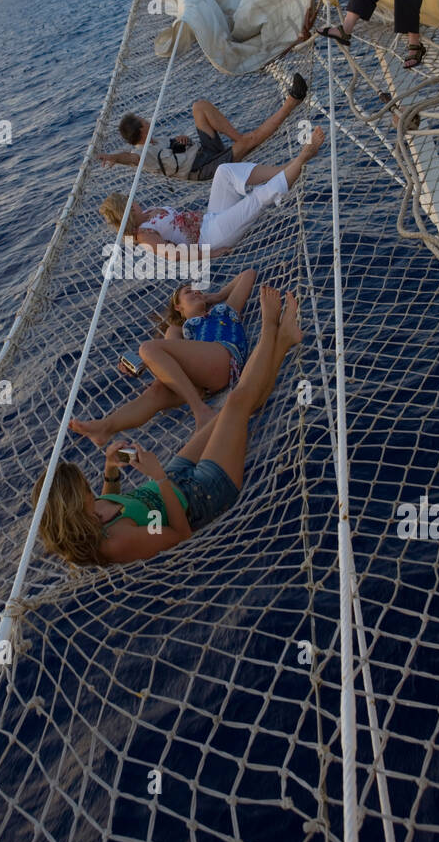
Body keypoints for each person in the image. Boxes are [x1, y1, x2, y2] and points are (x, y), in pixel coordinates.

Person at [34, 286, 302, 566]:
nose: (92, 491)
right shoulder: (115, 542)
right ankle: (272, 328)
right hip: (202, 494)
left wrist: (111, 471)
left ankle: (283, 341)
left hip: (176, 476)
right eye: (86, 491)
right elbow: (179, 534)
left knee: (233, 414)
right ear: (73, 507)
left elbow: (112, 502)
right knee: (236, 403)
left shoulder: (91, 513)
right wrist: (158, 478)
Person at [71, 269, 257, 445]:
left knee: (147, 349)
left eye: (198, 291)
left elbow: (248, 275)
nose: (196, 292)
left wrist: (217, 296)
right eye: (188, 292)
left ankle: (200, 411)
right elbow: (169, 356)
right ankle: (106, 427)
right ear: (179, 307)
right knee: (156, 391)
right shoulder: (180, 330)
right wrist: (145, 363)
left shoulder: (224, 309)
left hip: (225, 356)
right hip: (207, 380)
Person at [99, 126, 326, 261]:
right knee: (256, 198)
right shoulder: (144, 235)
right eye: (130, 203)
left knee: (223, 172)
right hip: (211, 239)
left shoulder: (147, 213)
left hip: (210, 219)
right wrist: (212, 254)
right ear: (127, 212)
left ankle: (283, 171)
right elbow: (174, 255)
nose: (135, 202)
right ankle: (303, 158)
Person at [100, 79, 308, 183]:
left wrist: (185, 140)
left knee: (199, 107)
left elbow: (179, 153)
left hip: (204, 152)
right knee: (250, 141)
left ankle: (238, 139)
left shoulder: (156, 141)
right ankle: (293, 101)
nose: (145, 119)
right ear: (141, 127)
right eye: (141, 119)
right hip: (202, 168)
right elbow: (130, 158)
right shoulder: (142, 154)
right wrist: (113, 158)